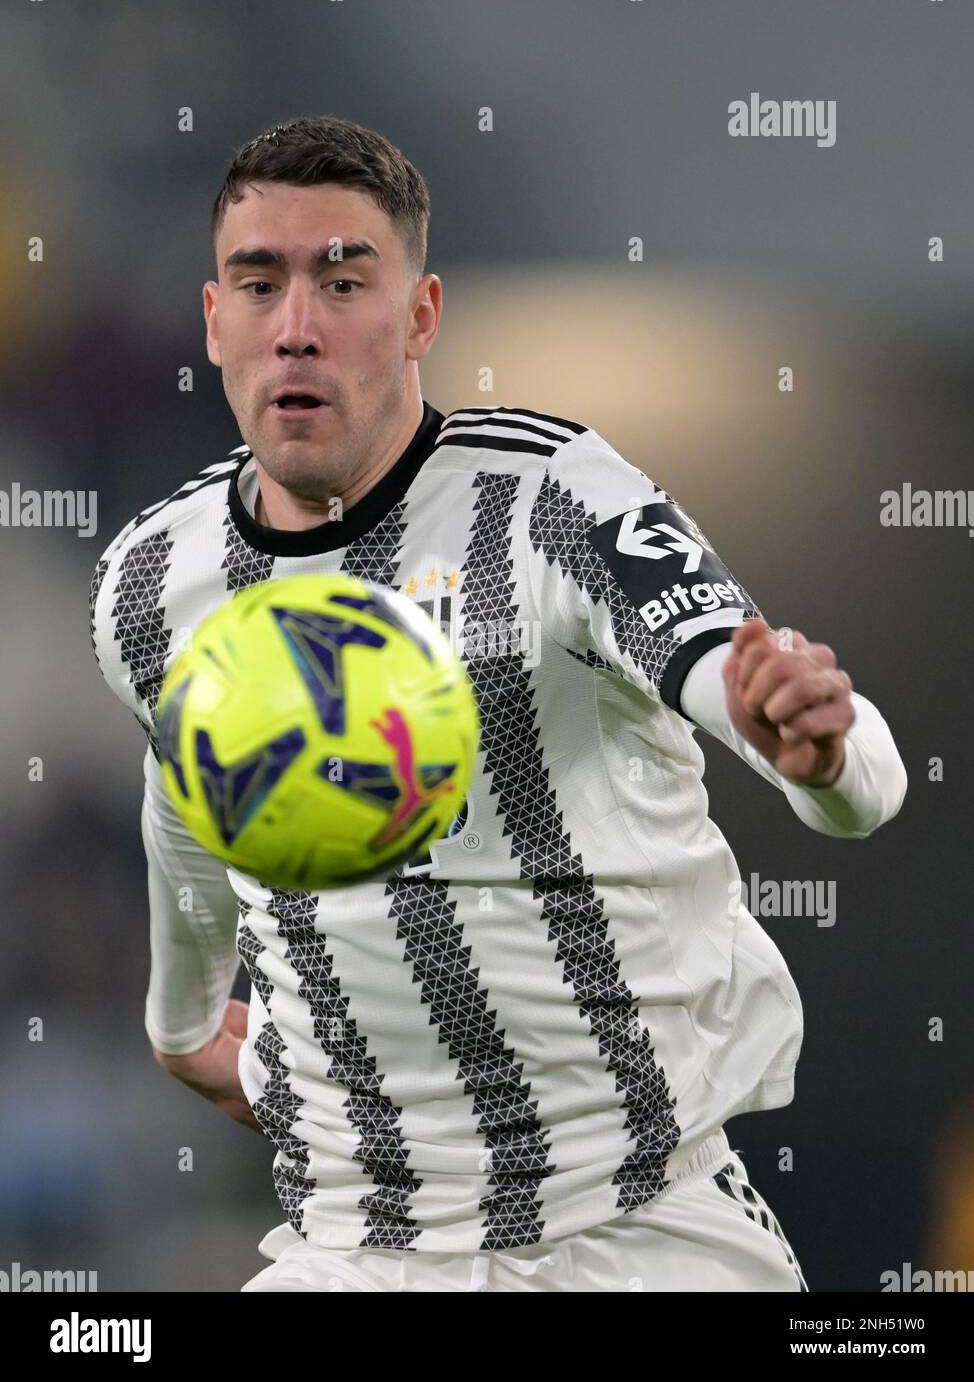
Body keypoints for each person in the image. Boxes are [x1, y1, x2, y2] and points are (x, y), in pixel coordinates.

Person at [89, 114, 907, 1293]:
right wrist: (180, 1019)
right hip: (353, 1245)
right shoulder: (152, 581)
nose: (298, 328)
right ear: (215, 322)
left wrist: (820, 753)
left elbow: (836, 761)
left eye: (344, 279)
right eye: (259, 284)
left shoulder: (554, 499)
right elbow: (189, 798)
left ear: (421, 316)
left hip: (635, 1229)